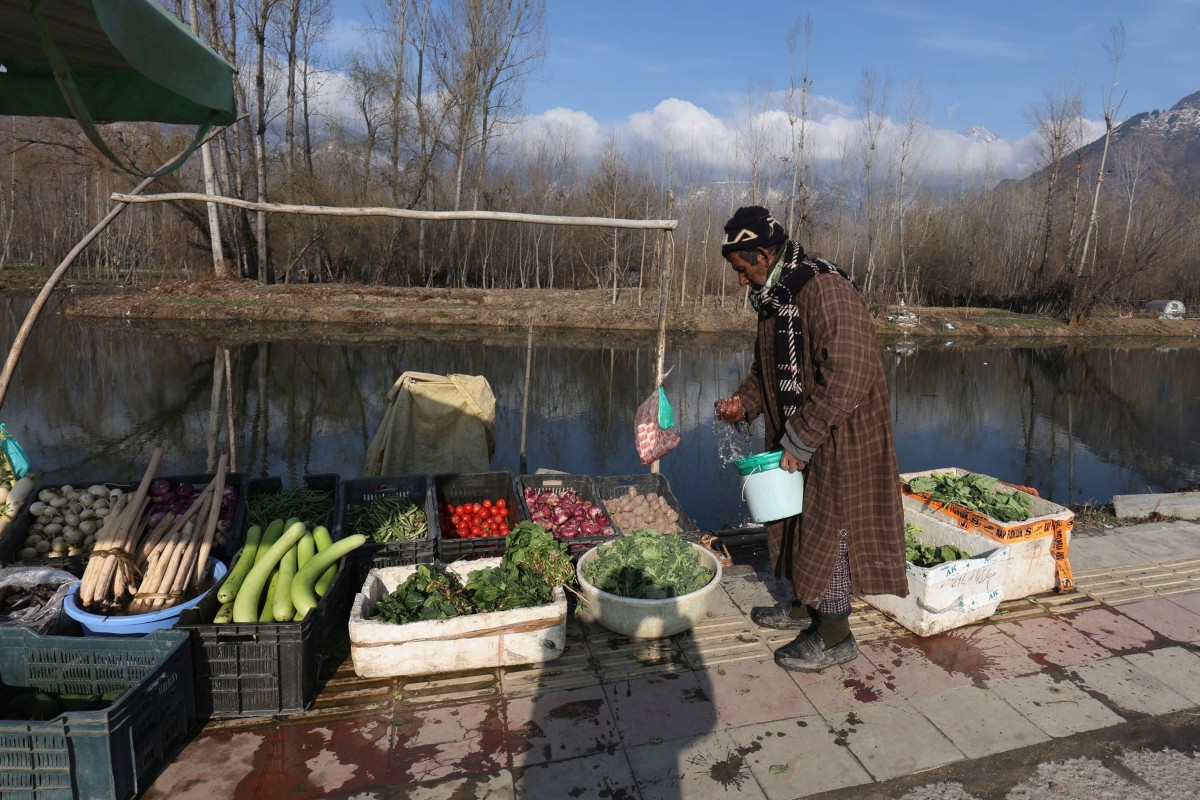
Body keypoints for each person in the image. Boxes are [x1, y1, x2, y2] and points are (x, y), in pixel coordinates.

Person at [714, 205, 908, 673]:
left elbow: (851, 371)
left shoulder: (822, 288)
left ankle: (835, 635)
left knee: (830, 530)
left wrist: (801, 440)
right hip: (802, 433)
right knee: (795, 522)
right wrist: (745, 402)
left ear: (762, 254)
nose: (741, 281)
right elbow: (767, 369)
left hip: (841, 433)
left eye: (742, 270)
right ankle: (805, 604)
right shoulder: (777, 296)